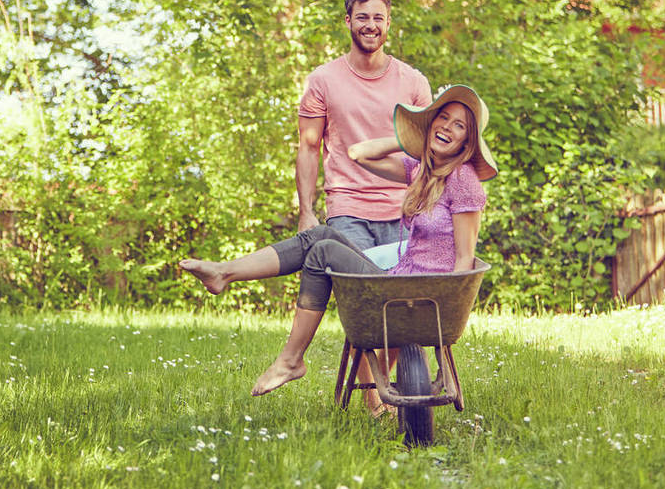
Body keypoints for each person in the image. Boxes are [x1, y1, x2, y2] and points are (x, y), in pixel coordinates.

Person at [181, 85, 498, 402]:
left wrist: (447, 316)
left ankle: (290, 359)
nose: (447, 127)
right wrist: (412, 140)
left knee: (323, 251)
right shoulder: (419, 171)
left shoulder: (463, 179)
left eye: (459, 126)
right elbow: (359, 153)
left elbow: (465, 258)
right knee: (319, 236)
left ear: (467, 142)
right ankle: (225, 273)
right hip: (399, 284)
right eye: (442, 118)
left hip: (426, 297)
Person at [297, 0, 432, 249]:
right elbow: (309, 147)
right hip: (347, 210)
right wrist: (306, 212)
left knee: (402, 291)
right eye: (362, 17)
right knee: (360, 287)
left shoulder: (413, 82)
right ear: (348, 21)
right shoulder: (322, 80)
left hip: (404, 211)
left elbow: (430, 154)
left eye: (378, 18)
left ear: (388, 23)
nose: (370, 25)